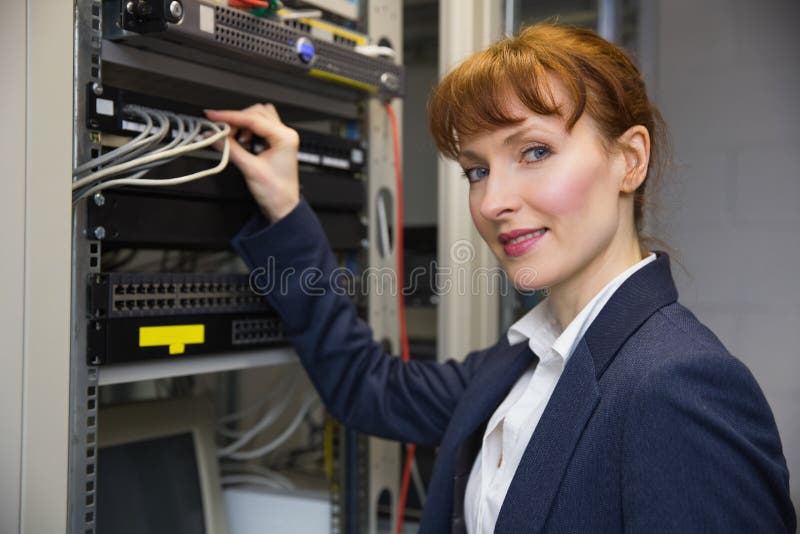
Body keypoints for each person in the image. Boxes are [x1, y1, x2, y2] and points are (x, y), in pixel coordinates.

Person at [205, 23, 796, 534]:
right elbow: (367, 386)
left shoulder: (678, 385)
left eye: (534, 152)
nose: (492, 202)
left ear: (630, 160)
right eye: (477, 170)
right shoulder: (522, 362)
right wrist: (285, 208)